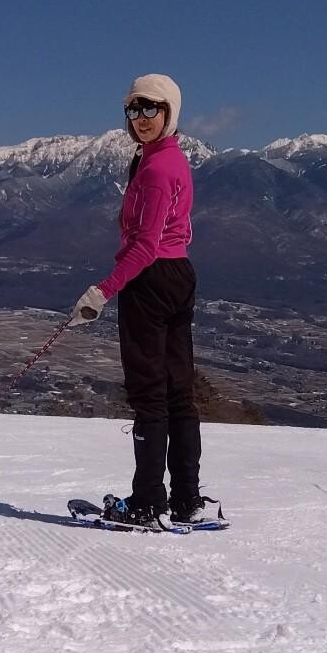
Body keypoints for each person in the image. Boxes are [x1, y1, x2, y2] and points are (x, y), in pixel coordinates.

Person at [69, 73, 210, 527]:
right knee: (178, 391)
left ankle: (148, 502)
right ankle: (185, 498)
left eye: (151, 108)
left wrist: (101, 292)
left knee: (150, 394)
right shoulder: (168, 160)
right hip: (180, 274)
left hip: (150, 281)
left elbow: (145, 246)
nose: (141, 118)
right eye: (133, 109)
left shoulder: (154, 169)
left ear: (169, 112)